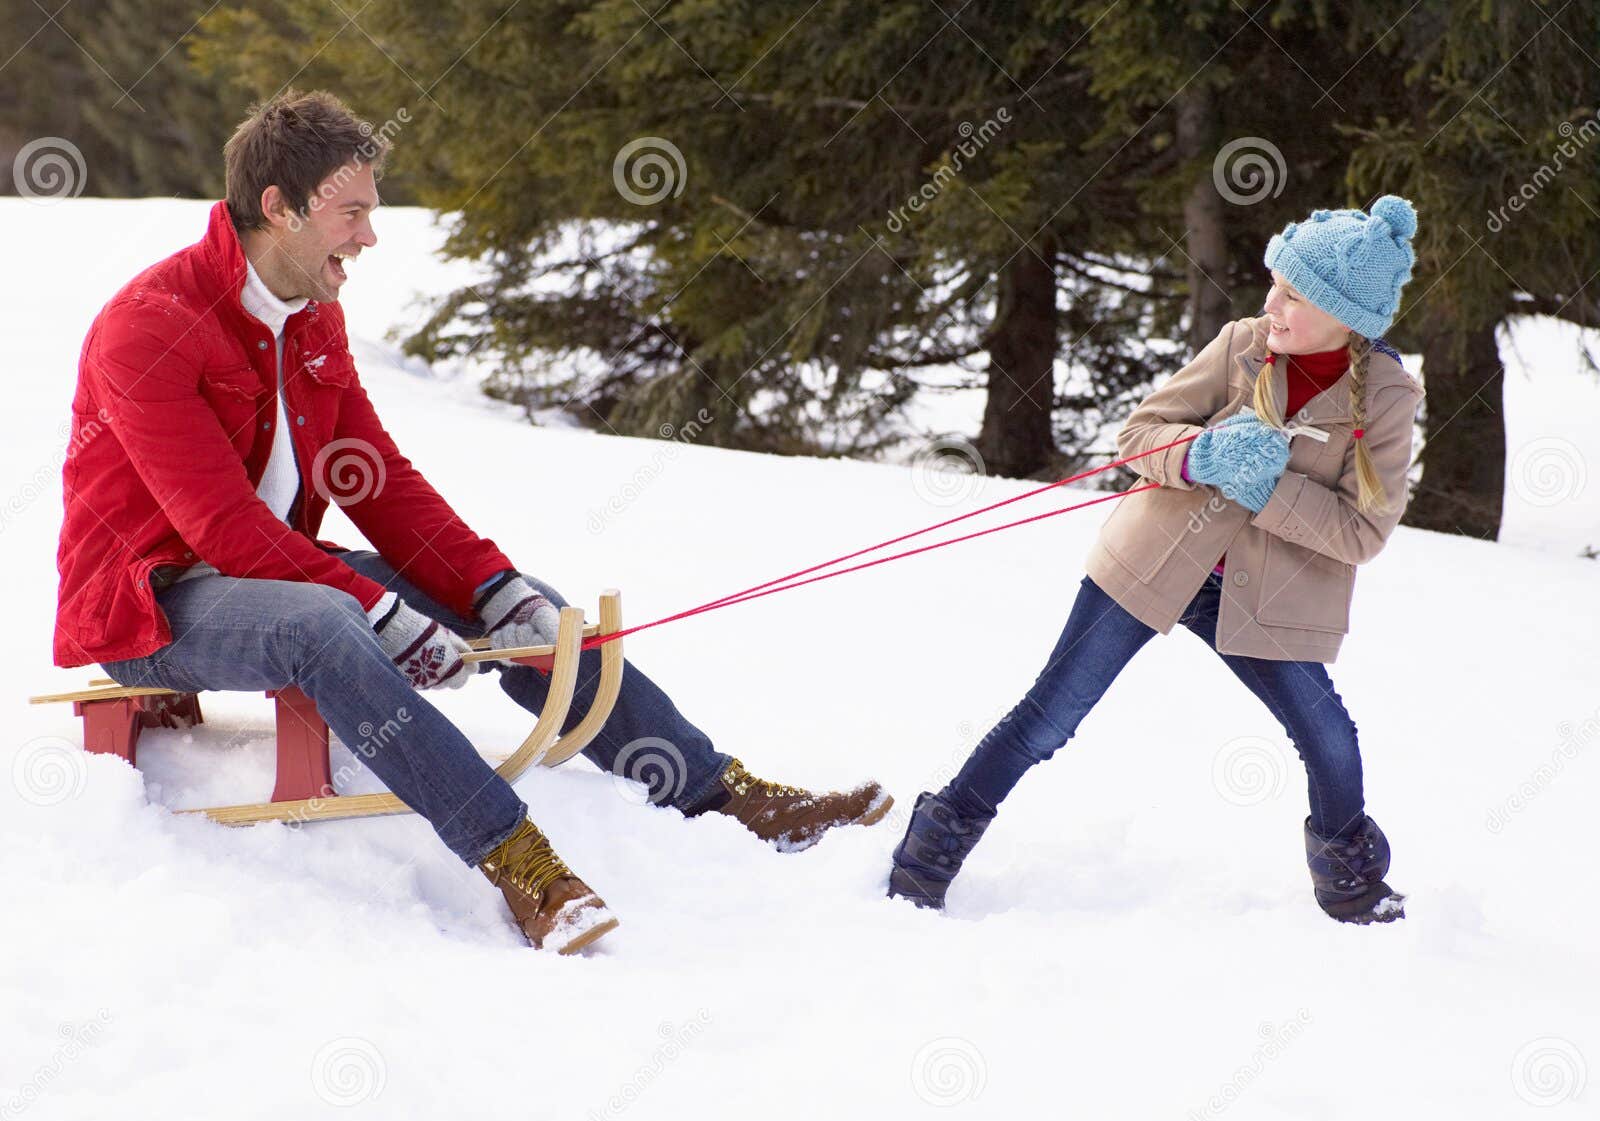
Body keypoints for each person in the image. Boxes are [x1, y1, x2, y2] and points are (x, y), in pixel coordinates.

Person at [53, 90, 890, 956]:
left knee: (534, 605)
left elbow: (378, 482)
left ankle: (718, 794)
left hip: (277, 574)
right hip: (151, 601)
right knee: (331, 623)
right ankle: (520, 862)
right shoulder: (147, 327)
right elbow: (221, 524)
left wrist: (492, 589)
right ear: (280, 207)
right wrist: (381, 614)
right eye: (351, 214)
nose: (367, 237)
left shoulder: (312, 320)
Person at [886, 195, 1423, 925]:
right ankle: (930, 849)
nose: (1272, 305)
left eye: (1293, 296)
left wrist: (1268, 488)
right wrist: (1203, 455)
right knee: (1049, 716)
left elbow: (1364, 531)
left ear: (1344, 314)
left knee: (1329, 738)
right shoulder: (1241, 345)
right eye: (1274, 285)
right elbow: (1138, 433)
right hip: (1157, 558)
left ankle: (1351, 883)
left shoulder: (1386, 399)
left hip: (1267, 596)